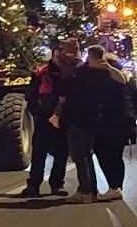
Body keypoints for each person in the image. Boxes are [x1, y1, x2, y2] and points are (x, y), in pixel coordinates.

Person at [54, 45, 123, 203]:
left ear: (89, 57)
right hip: (94, 118)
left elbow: (63, 88)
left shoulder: (83, 74)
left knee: (80, 154)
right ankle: (90, 190)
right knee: (85, 154)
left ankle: (86, 191)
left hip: (79, 119)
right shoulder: (107, 73)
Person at [22, 39, 78, 197]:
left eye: (62, 56)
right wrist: (38, 109)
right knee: (39, 153)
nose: (59, 59)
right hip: (44, 119)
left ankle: (57, 184)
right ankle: (34, 185)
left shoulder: (70, 74)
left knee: (61, 153)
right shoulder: (42, 74)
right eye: (57, 56)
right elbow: (31, 94)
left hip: (62, 119)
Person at [92, 51, 135, 201]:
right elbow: (135, 99)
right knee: (116, 155)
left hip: (109, 121)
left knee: (103, 152)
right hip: (125, 120)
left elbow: (101, 99)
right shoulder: (126, 77)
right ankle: (117, 187)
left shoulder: (106, 78)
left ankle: (114, 186)